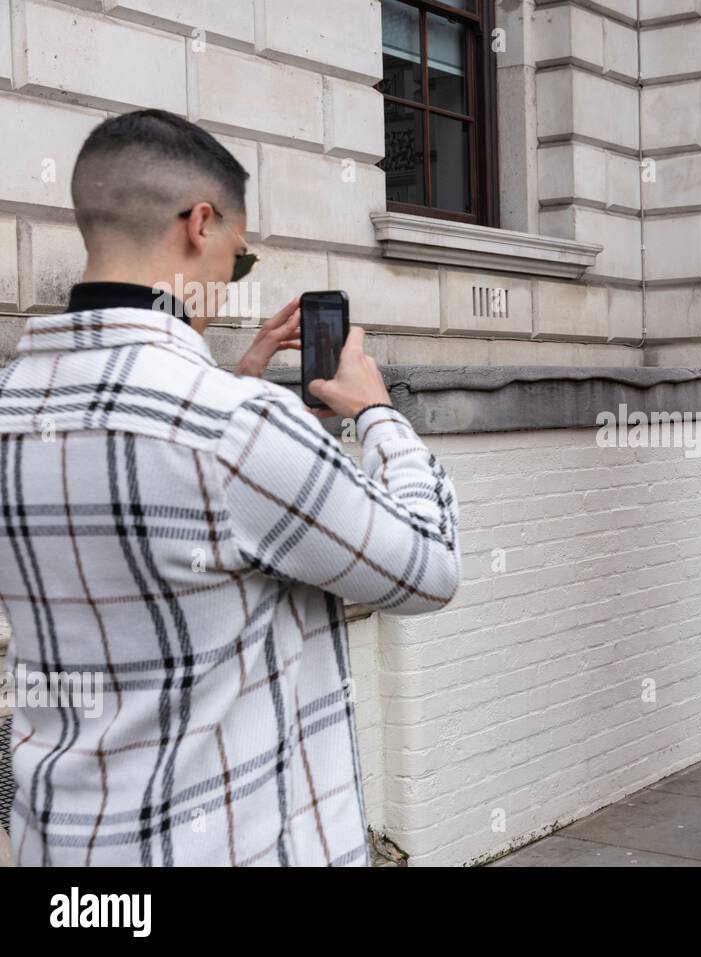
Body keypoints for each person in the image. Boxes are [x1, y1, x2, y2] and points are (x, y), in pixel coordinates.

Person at [0, 110, 461, 866]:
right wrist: (377, 412)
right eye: (239, 259)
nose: (229, 281)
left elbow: (139, 500)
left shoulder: (16, 403)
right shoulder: (239, 429)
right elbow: (429, 566)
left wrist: (233, 380)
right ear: (199, 225)